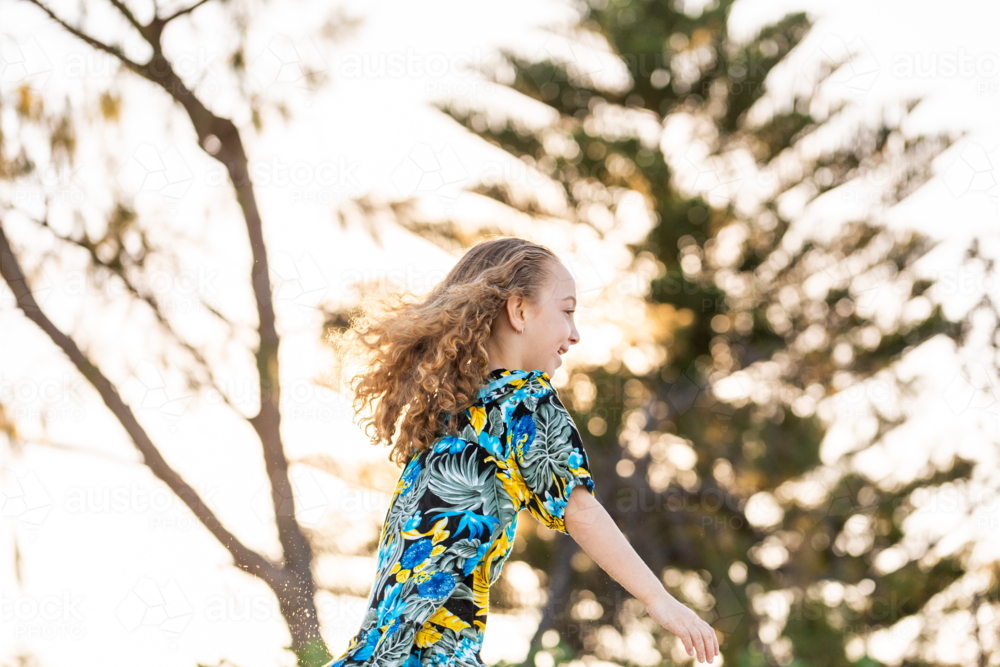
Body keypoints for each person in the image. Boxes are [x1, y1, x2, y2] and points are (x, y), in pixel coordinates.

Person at [325, 237, 719, 666]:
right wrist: (657, 598)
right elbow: (579, 510)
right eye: (567, 310)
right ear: (519, 311)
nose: (575, 333)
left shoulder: (451, 417)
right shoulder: (524, 401)